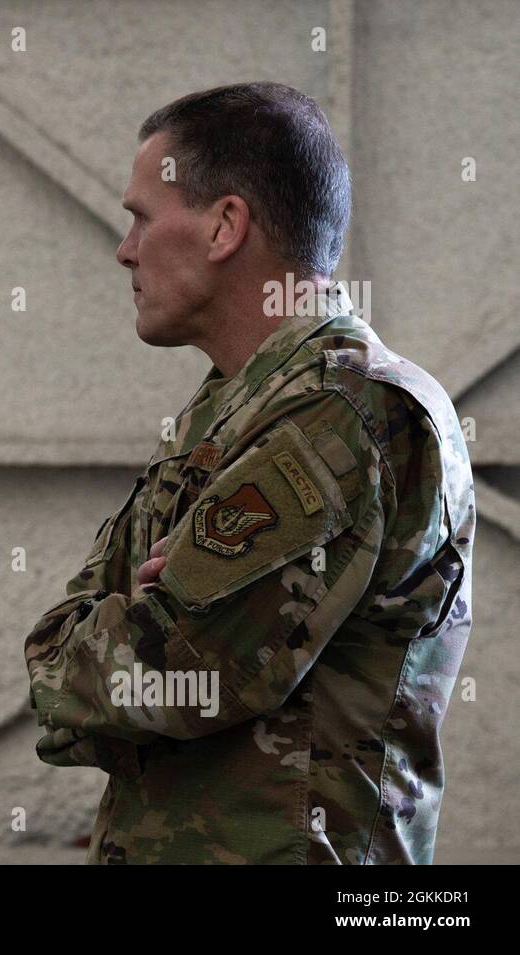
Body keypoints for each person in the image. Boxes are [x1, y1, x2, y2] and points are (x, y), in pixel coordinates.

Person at [24, 83, 474, 864]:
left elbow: (171, 671)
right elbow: (72, 640)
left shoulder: (344, 414)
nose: (124, 248)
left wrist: (131, 627)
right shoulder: (238, 407)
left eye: (141, 217)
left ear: (225, 225)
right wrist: (126, 626)